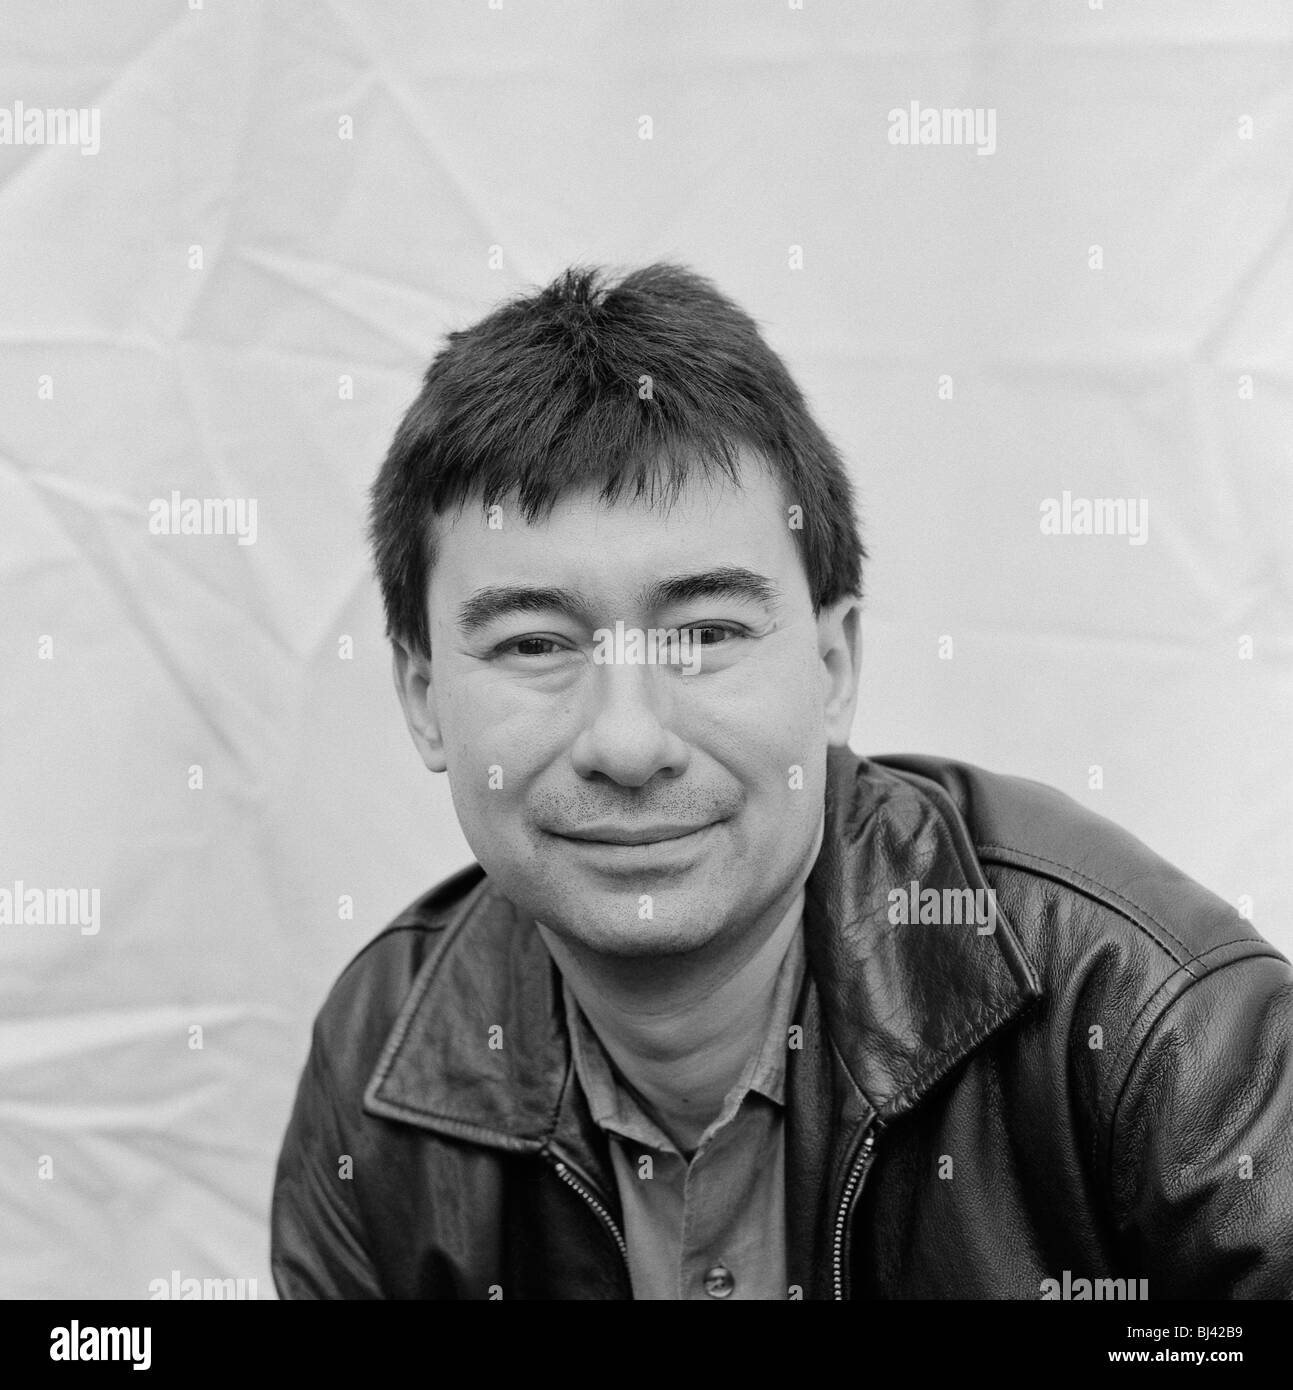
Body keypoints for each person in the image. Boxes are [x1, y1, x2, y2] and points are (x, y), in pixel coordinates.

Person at [271, 263, 1293, 1299]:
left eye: (707, 633)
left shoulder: (1143, 1020)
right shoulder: (379, 1073)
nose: (627, 743)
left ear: (833, 666)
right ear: (421, 693)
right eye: (536, 643)